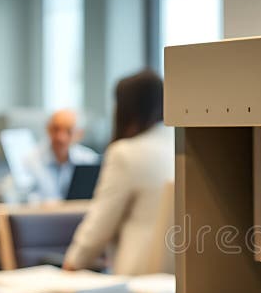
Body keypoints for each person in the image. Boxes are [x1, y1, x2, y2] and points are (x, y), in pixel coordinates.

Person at [63, 69, 174, 275]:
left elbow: (99, 226)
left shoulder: (125, 153)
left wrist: (71, 265)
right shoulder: (182, 145)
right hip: (176, 276)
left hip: (135, 276)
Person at [21, 109, 99, 201]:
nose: (61, 137)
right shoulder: (29, 160)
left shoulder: (90, 160)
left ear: (80, 134)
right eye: (56, 129)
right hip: (42, 215)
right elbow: (22, 198)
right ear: (48, 129)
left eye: (69, 131)